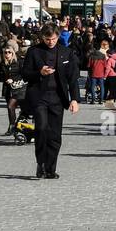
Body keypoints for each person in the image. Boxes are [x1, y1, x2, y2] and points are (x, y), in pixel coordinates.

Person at [20, 23, 81, 179]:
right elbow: (25, 74)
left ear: (58, 36)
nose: (50, 42)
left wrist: (74, 99)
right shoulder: (34, 51)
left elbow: (73, 78)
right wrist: (39, 72)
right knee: (41, 128)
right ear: (42, 38)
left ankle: (50, 168)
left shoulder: (66, 53)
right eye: (47, 39)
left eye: (53, 39)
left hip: (58, 98)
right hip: (39, 97)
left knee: (54, 135)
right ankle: (40, 163)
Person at [0, 45, 25, 135]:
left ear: (13, 53)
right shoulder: (2, 64)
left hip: (19, 89)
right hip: (8, 89)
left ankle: (17, 125)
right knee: (10, 109)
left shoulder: (19, 62)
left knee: (12, 106)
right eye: (5, 52)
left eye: (9, 52)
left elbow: (24, 74)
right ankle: (12, 127)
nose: (7, 54)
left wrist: (14, 79)